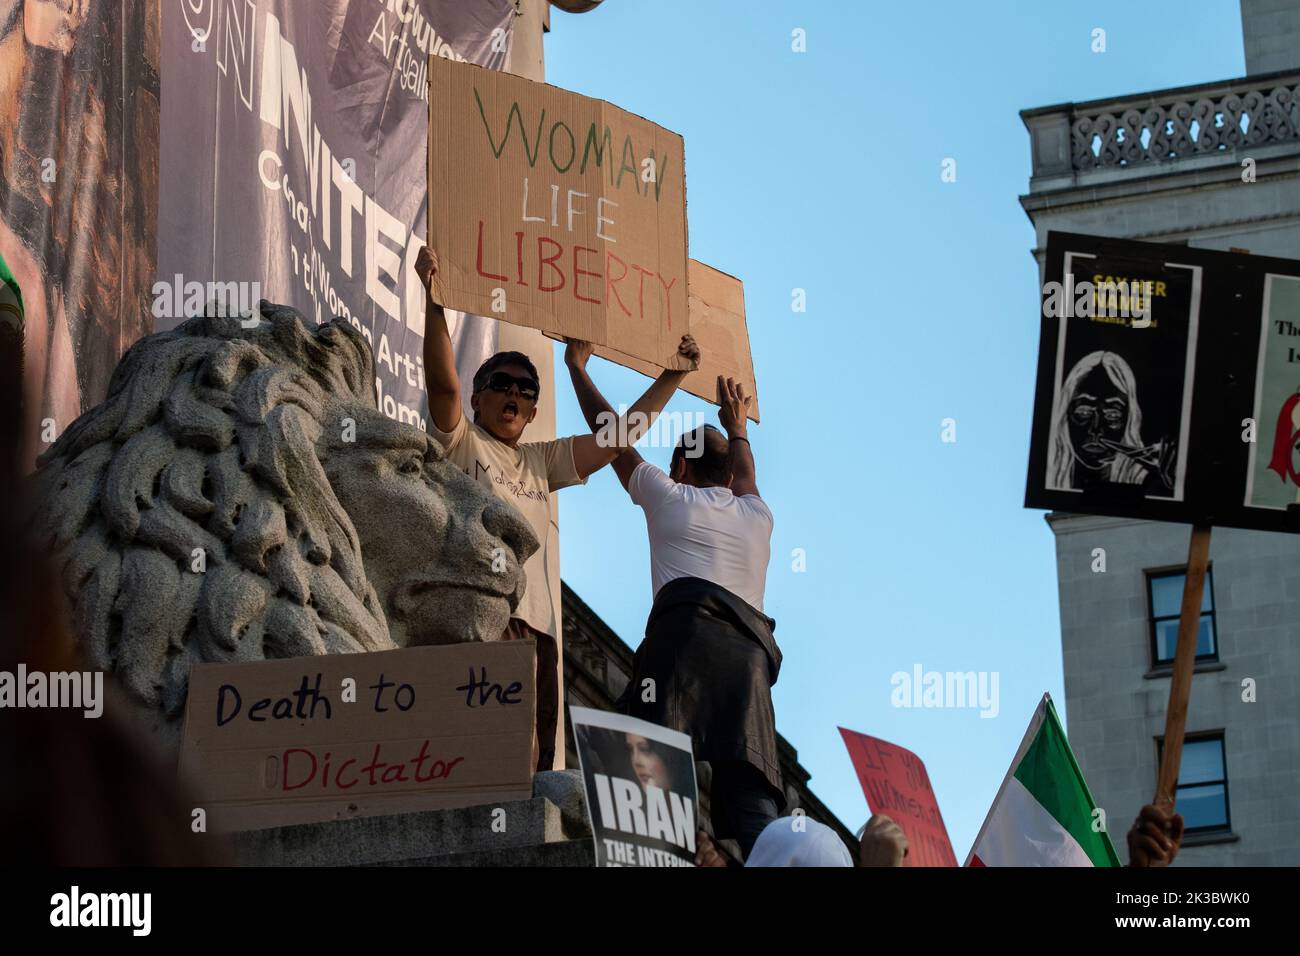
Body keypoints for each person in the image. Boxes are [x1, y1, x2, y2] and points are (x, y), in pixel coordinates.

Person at [414, 247, 698, 771]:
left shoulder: (541, 461)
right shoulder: (460, 442)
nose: (514, 394)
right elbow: (442, 385)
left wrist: (671, 377)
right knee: (474, 754)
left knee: (531, 768)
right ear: (478, 397)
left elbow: (617, 438)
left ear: (533, 411)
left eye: (526, 390)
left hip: (538, 629)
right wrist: (433, 304)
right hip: (478, 610)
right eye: (501, 383)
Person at [566, 342, 780, 861]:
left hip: (681, 648)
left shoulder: (669, 496)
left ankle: (659, 852)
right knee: (753, 811)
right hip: (747, 670)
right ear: (728, 476)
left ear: (679, 466)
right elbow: (746, 475)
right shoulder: (757, 516)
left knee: (644, 786)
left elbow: (612, 436)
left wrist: (576, 368)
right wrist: (739, 426)